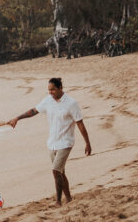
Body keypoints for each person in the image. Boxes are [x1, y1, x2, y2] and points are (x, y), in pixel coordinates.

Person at [11, 76, 92, 205]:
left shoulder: (71, 103)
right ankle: (69, 198)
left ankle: (58, 201)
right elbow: (34, 111)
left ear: (60, 88)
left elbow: (80, 123)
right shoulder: (48, 100)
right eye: (49, 90)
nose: (50, 92)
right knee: (61, 172)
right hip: (52, 143)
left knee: (55, 171)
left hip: (66, 142)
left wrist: (87, 143)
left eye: (53, 90)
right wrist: (17, 118)